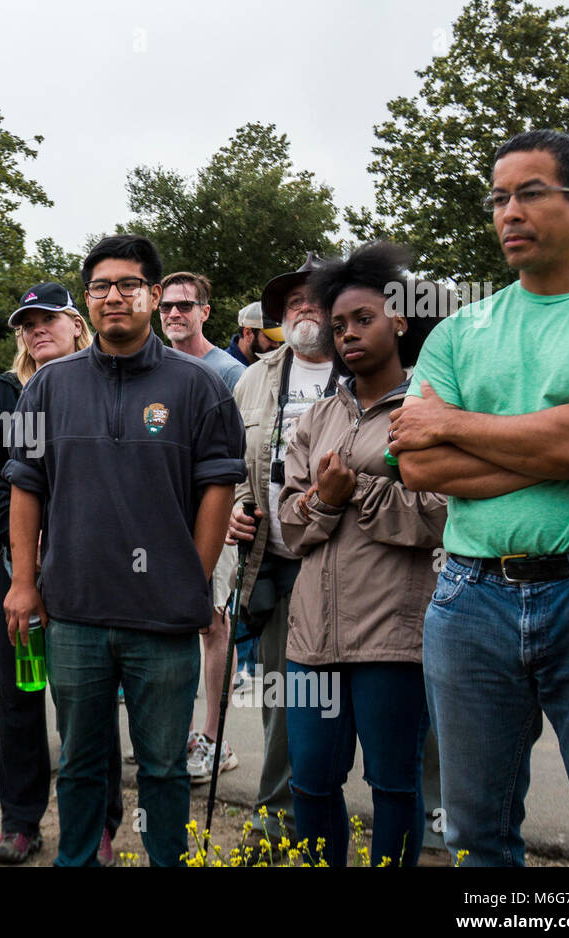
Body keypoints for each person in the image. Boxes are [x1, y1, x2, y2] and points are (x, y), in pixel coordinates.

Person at [391, 129, 569, 866]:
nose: (509, 212)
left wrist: (456, 424)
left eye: (530, 193)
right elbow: (417, 466)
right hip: (470, 599)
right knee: (473, 834)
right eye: (499, 198)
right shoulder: (462, 329)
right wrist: (566, 440)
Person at [4, 235, 245, 867]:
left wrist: (192, 580)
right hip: (75, 613)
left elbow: (218, 488)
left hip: (163, 621)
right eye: (101, 286)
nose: (115, 296)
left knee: (164, 769)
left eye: (130, 284)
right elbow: (26, 488)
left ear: (155, 294)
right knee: (80, 765)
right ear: (87, 299)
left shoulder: (200, 387)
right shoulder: (48, 387)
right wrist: (23, 582)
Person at [277, 241, 446, 866]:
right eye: (338, 324)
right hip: (311, 639)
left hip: (393, 640)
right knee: (311, 784)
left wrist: (360, 491)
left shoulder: (431, 410)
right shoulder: (318, 417)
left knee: (394, 785)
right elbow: (291, 530)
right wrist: (324, 499)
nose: (347, 334)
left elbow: (442, 516)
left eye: (364, 319)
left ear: (400, 319)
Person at [0, 281, 124, 865]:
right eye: (26, 323)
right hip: (16, 567)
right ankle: (21, 822)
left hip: (86, 565)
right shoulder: (4, 393)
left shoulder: (105, 385)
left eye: (48, 320)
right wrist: (22, 547)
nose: (36, 330)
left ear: (77, 325)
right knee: (20, 692)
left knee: (87, 697)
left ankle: (100, 824)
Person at [226, 251, 337, 843]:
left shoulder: (374, 365)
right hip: (277, 565)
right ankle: (273, 824)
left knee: (389, 701)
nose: (304, 307)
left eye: (316, 296)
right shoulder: (256, 376)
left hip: (358, 568)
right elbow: (230, 465)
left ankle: (414, 831)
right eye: (293, 300)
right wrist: (236, 511)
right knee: (283, 702)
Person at [157, 271, 245, 783]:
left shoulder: (229, 372)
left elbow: (241, 453)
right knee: (169, 621)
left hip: (216, 515)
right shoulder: (156, 368)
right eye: (167, 306)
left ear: (205, 312)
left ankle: (214, 741)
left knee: (211, 623)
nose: (174, 314)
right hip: (163, 518)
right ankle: (181, 735)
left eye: (185, 306)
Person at [227, 301, 282, 366]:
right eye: (270, 337)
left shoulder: (269, 364)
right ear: (248, 334)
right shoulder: (229, 370)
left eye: (278, 338)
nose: (276, 345)